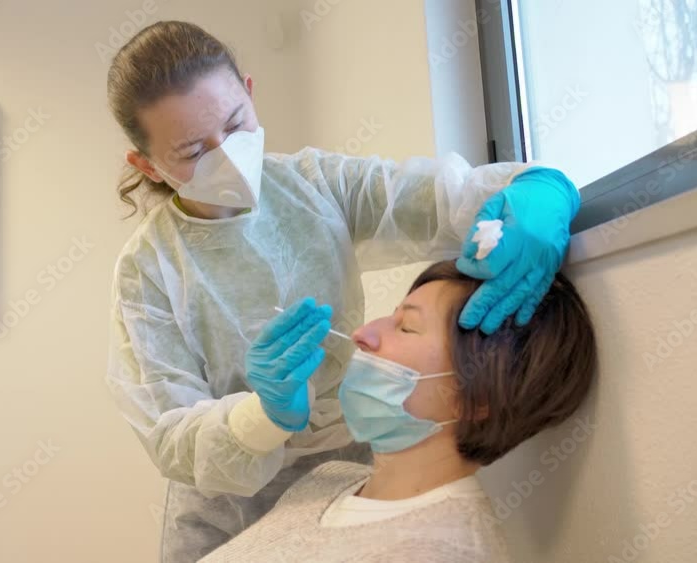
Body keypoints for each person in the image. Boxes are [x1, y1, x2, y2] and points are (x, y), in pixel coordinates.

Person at [105, 20, 583, 561]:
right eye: (192, 151)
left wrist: (541, 189)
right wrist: (264, 415)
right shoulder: (148, 268)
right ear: (147, 165)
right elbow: (171, 430)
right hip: (228, 500)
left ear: (250, 93)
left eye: (237, 124)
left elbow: (442, 200)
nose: (226, 154)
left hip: (345, 464)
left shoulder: (317, 184)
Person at [199, 260, 599, 562]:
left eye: (405, 327)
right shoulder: (330, 479)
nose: (362, 333)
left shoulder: (441, 550)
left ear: (478, 398)